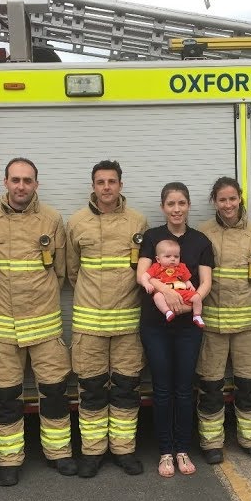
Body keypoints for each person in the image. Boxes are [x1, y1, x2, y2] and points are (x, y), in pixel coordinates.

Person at [0, 157, 77, 486]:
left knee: (55, 393)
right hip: (4, 326)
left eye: (27, 180)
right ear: (5, 182)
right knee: (6, 397)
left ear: (36, 184)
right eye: (15, 180)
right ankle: (9, 460)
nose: (21, 186)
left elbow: (59, 269)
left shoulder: (52, 219)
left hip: (45, 323)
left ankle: (59, 453)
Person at [65, 160, 149, 478]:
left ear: (121, 185)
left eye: (112, 182)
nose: (106, 188)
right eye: (100, 182)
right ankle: (93, 452)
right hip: (89, 323)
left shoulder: (138, 222)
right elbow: (72, 270)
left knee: (127, 388)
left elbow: (145, 267)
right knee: (92, 389)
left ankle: (124, 451)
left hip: (128, 322)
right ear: (93, 186)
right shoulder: (76, 222)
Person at [137, 182, 214, 478]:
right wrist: (163, 292)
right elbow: (140, 275)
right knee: (162, 389)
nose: (177, 209)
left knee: (184, 389)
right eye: (171, 204)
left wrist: (190, 304)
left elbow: (205, 281)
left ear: (189, 205)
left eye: (182, 203)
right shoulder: (153, 237)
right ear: (162, 208)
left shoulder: (200, 241)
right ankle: (165, 452)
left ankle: (183, 449)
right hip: (156, 327)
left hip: (187, 328)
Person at [195, 177, 251, 464]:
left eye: (232, 198)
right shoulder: (203, 233)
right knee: (211, 386)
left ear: (240, 199)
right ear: (214, 202)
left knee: (249, 385)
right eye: (222, 199)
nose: (228, 205)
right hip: (212, 325)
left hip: (247, 325)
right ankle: (211, 442)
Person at [140, 239, 206, 326]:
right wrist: (146, 284)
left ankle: (197, 316)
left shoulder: (181, 267)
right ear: (158, 259)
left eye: (176, 256)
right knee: (157, 297)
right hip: (164, 292)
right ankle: (167, 312)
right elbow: (144, 276)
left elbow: (186, 279)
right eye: (167, 256)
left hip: (180, 291)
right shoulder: (156, 267)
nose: (172, 259)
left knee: (197, 297)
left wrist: (189, 284)